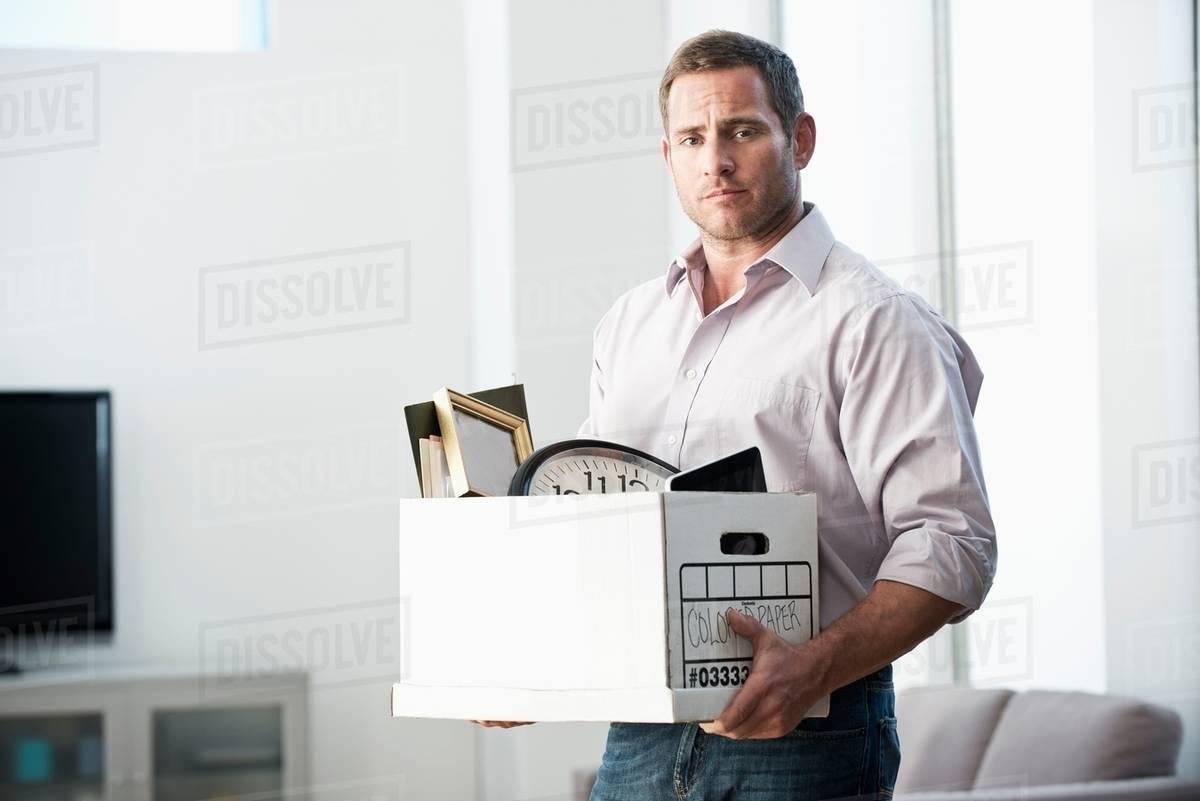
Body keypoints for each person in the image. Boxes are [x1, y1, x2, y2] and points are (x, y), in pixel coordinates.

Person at [483, 29, 997, 801]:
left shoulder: (874, 319)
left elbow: (954, 542)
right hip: (639, 733)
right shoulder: (629, 324)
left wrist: (810, 667)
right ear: (668, 158)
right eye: (692, 138)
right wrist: (533, 661)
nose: (715, 161)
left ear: (802, 137)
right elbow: (611, 534)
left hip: (810, 730)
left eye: (743, 131)